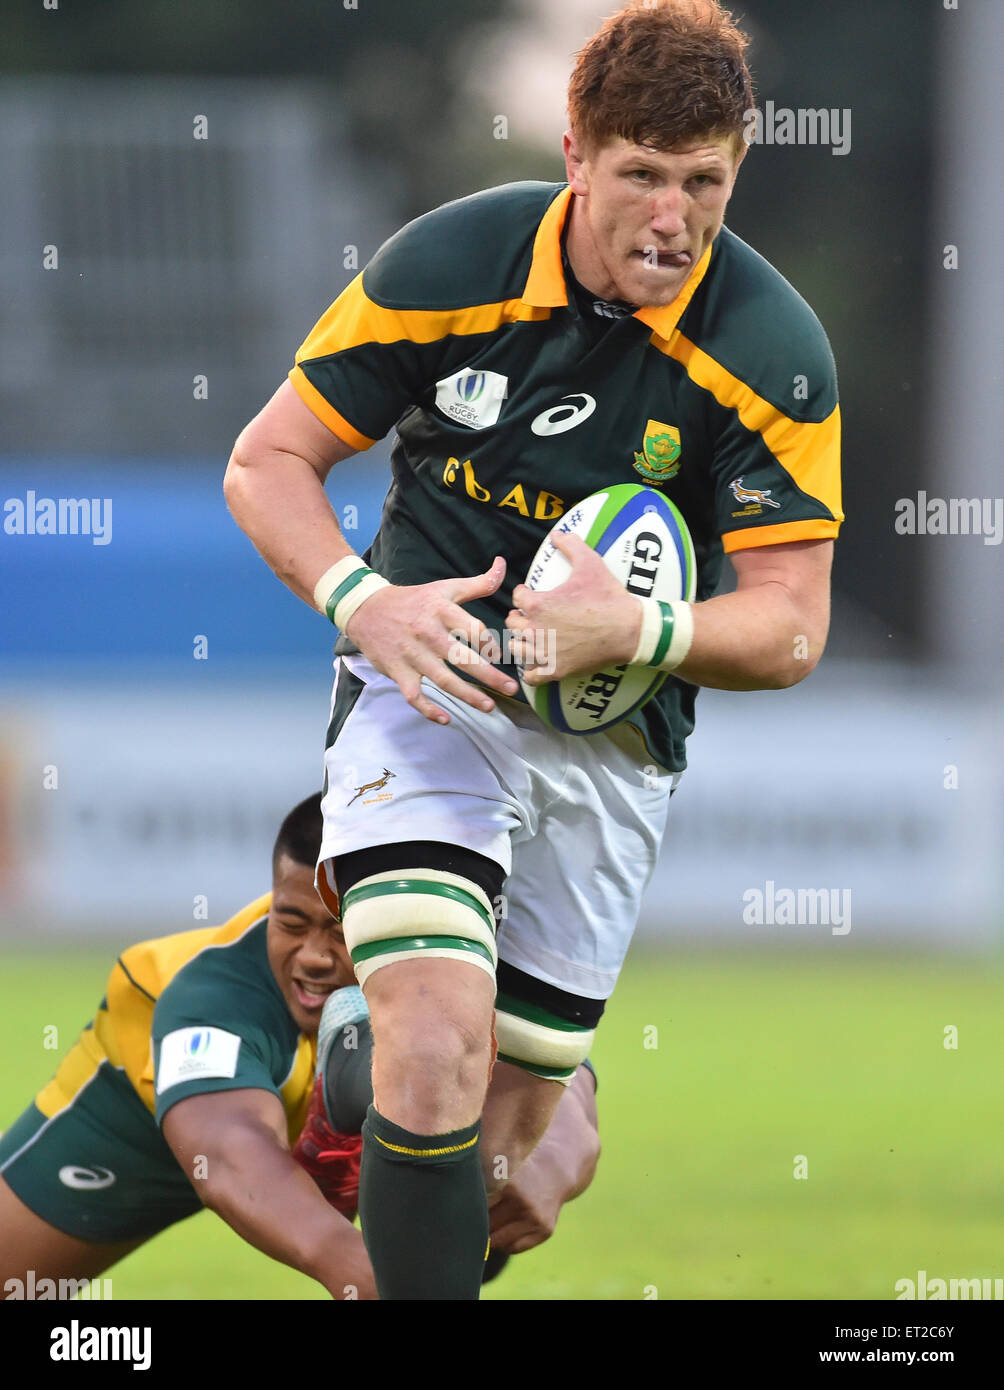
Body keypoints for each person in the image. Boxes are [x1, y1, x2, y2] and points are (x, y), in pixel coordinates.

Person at [223, 0, 842, 1300]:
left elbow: (789, 625)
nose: (670, 218)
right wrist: (362, 602)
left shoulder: (770, 353)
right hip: (431, 694)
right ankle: (398, 1030)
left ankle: (384, 1095)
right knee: (434, 1044)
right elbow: (268, 458)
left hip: (616, 750)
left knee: (504, 1177)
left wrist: (643, 629)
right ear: (576, 153)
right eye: (640, 177)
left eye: (703, 182)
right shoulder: (453, 264)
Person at [0, 795, 599, 1299]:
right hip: (143, 1127)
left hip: (356, 1107)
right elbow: (230, 1158)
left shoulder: (448, 955)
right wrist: (391, 1287)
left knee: (486, 1171)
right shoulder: (205, 989)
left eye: (339, 932)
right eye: (290, 924)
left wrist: (536, 1172)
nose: (313, 956)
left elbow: (567, 1092)